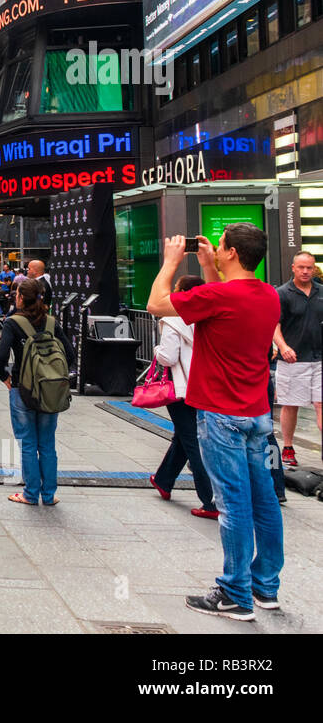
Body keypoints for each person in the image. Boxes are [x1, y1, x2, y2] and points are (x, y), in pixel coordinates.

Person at [147, 226, 283, 621]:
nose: (215, 247)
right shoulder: (268, 295)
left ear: (234, 253)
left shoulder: (218, 295)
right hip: (256, 413)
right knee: (264, 502)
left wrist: (172, 261)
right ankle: (265, 586)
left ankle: (235, 593)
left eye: (220, 244)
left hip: (221, 415)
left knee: (233, 506)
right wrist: (209, 267)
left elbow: (157, 304)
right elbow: (223, 309)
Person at [0, 279, 73, 506]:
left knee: (28, 442)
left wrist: (6, 378)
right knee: (47, 444)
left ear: (20, 298)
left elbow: (1, 357)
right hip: (50, 390)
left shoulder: (13, 323)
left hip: (22, 388)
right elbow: (69, 354)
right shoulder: (51, 322)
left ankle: (30, 493)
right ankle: (48, 495)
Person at [150, 275, 219, 519]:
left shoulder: (173, 319)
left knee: (192, 442)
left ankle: (210, 500)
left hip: (181, 389)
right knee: (185, 435)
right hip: (206, 386)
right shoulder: (211, 315)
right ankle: (163, 480)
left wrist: (156, 350)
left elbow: (168, 357)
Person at [270, 250, 323, 467]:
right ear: (293, 268)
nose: (305, 271)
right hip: (293, 359)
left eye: (309, 267)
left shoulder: (321, 292)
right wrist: (282, 346)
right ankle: (288, 447)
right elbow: (275, 324)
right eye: (301, 267)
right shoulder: (282, 293)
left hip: (319, 357)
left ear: (314, 268)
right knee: (291, 405)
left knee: (321, 403)